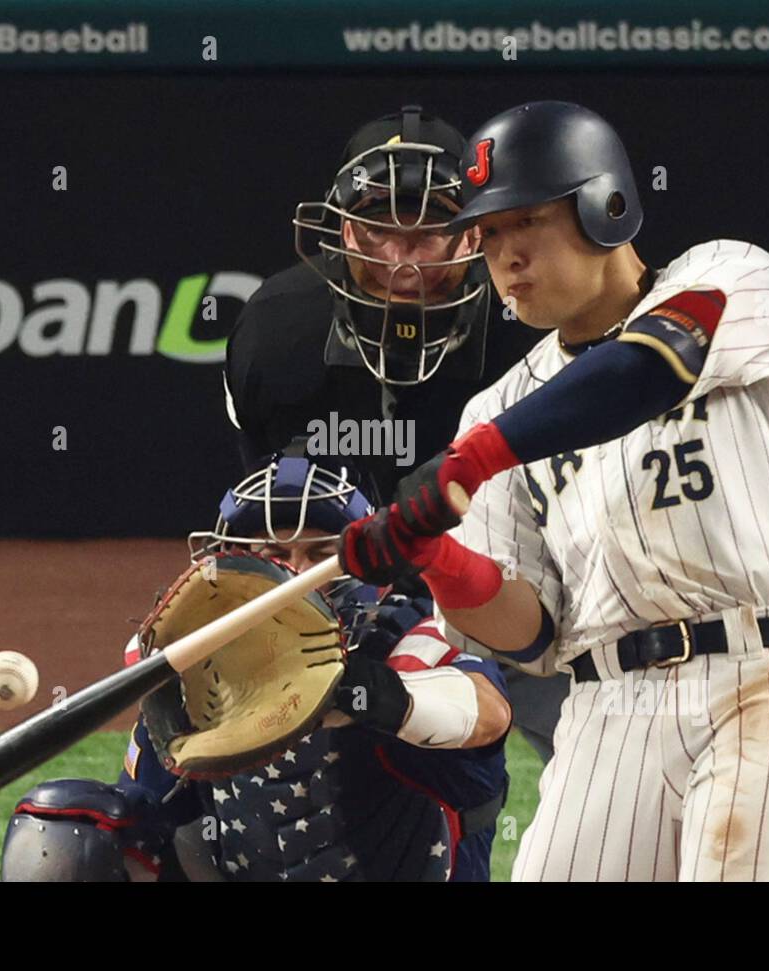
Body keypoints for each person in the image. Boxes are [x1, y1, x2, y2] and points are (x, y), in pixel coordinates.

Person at [338, 101, 769, 881]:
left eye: (527, 221)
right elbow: (530, 631)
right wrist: (435, 558)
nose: (505, 256)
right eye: (488, 237)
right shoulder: (493, 410)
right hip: (609, 706)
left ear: (606, 207)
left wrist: (472, 462)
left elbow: (645, 367)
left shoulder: (729, 275)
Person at [223, 104, 568, 762]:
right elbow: (269, 505)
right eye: (378, 226)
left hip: (521, 597)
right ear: (343, 229)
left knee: (611, 763)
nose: (401, 258)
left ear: (473, 234)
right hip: (339, 608)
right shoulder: (277, 331)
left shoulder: (536, 328)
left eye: (431, 228)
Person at [0, 454, 511, 882]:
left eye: (320, 555)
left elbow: (485, 715)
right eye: (272, 554)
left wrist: (369, 696)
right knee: (64, 828)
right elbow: (151, 814)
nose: (295, 575)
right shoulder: (199, 667)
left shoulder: (410, 640)